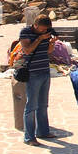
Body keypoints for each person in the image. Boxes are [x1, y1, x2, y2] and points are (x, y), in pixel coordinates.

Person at [17, 15, 56, 144]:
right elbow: (27, 50)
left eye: (46, 30)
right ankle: (29, 137)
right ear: (36, 25)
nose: (44, 31)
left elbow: (49, 52)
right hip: (33, 73)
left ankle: (43, 132)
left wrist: (51, 43)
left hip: (45, 70)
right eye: (42, 29)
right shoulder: (25, 32)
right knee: (31, 105)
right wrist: (40, 38)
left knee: (43, 104)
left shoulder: (46, 33)